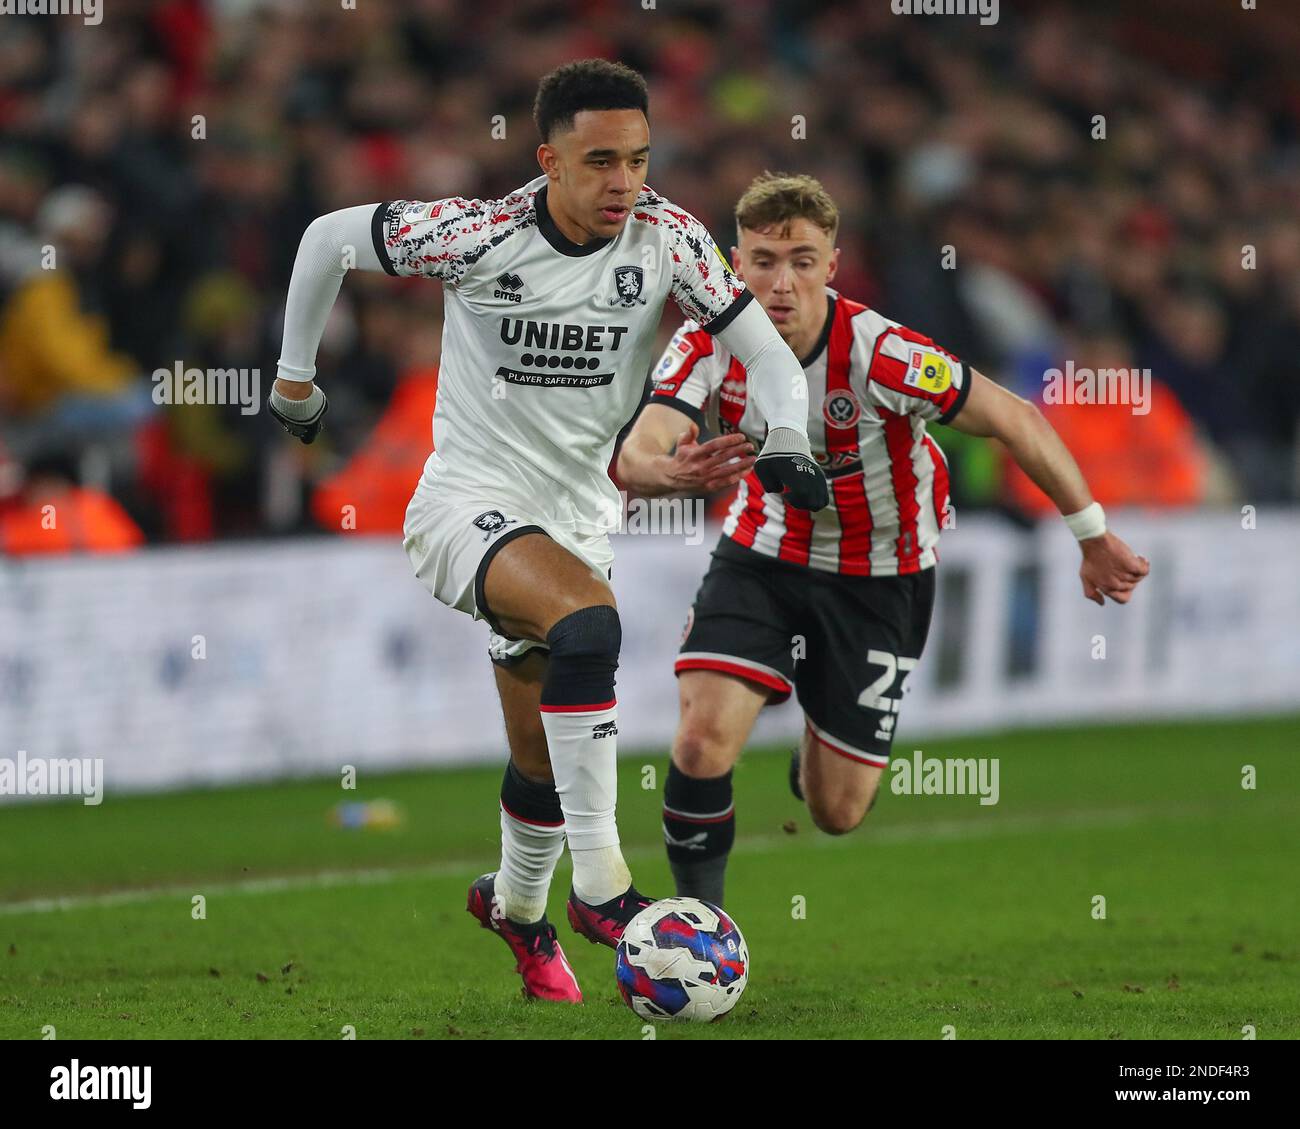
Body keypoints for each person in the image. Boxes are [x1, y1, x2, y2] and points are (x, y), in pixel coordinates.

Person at [267, 64, 829, 1002]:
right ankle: (604, 889)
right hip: (464, 505)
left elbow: (767, 354)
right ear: (549, 160)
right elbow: (328, 238)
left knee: (539, 761)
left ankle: (518, 911)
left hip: (575, 524)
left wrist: (784, 438)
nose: (624, 182)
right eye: (600, 160)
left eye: (639, 160)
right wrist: (292, 377)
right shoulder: (480, 234)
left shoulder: (668, 237)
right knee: (591, 627)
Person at [617, 173, 1150, 909]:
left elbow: (1014, 417)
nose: (781, 282)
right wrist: (664, 474)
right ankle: (697, 929)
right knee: (702, 739)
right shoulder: (706, 339)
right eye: (765, 260)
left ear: (831, 268)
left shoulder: (882, 353)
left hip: (881, 572)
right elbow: (642, 445)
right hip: (763, 552)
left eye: (802, 260)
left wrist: (1090, 533)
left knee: (837, 811)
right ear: (734, 264)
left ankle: (817, 737)